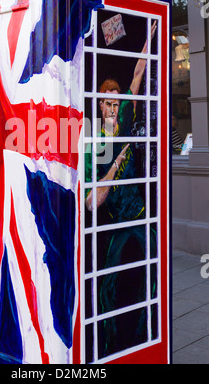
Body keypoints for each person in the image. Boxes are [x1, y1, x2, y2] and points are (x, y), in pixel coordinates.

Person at [84, 20, 157, 357]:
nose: (112, 107)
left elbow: (138, 77)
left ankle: (145, 336)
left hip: (140, 216)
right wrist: (114, 166)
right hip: (115, 224)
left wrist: (149, 41)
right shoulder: (94, 143)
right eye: (107, 102)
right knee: (108, 287)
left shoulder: (125, 118)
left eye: (116, 102)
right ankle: (109, 344)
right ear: (99, 106)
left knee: (150, 274)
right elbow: (90, 203)